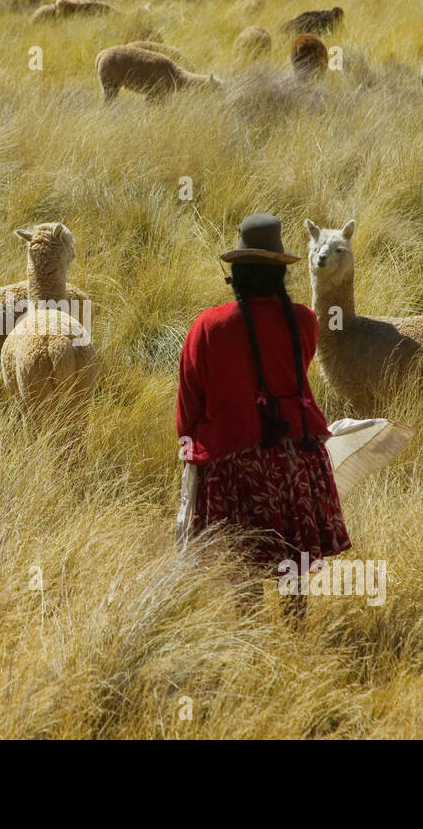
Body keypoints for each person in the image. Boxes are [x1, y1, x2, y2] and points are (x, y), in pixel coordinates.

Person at [175, 213, 350, 615]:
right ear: (278, 273)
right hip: (295, 459)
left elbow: (189, 403)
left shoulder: (207, 326)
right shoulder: (303, 321)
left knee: (243, 567)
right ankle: (296, 635)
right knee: (293, 566)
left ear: (236, 272)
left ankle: (251, 643)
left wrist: (190, 448)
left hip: (234, 463)